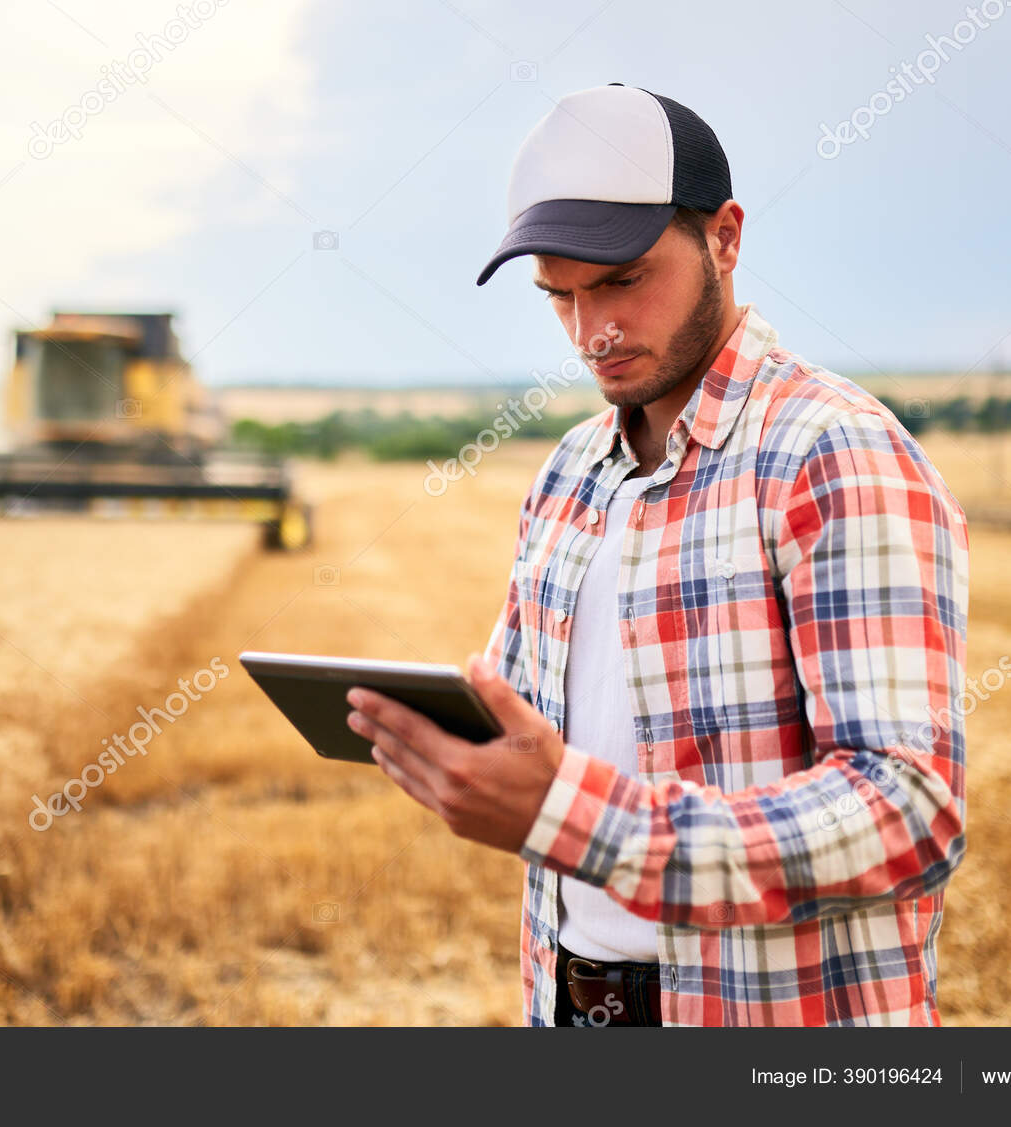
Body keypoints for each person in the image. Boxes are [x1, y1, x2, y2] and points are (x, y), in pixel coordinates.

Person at [345, 83, 970, 1026]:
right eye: (559, 295)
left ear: (725, 237)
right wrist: (452, 749)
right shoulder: (568, 473)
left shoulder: (833, 451)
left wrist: (584, 818)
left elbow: (907, 813)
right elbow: (539, 748)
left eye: (622, 280)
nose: (588, 330)